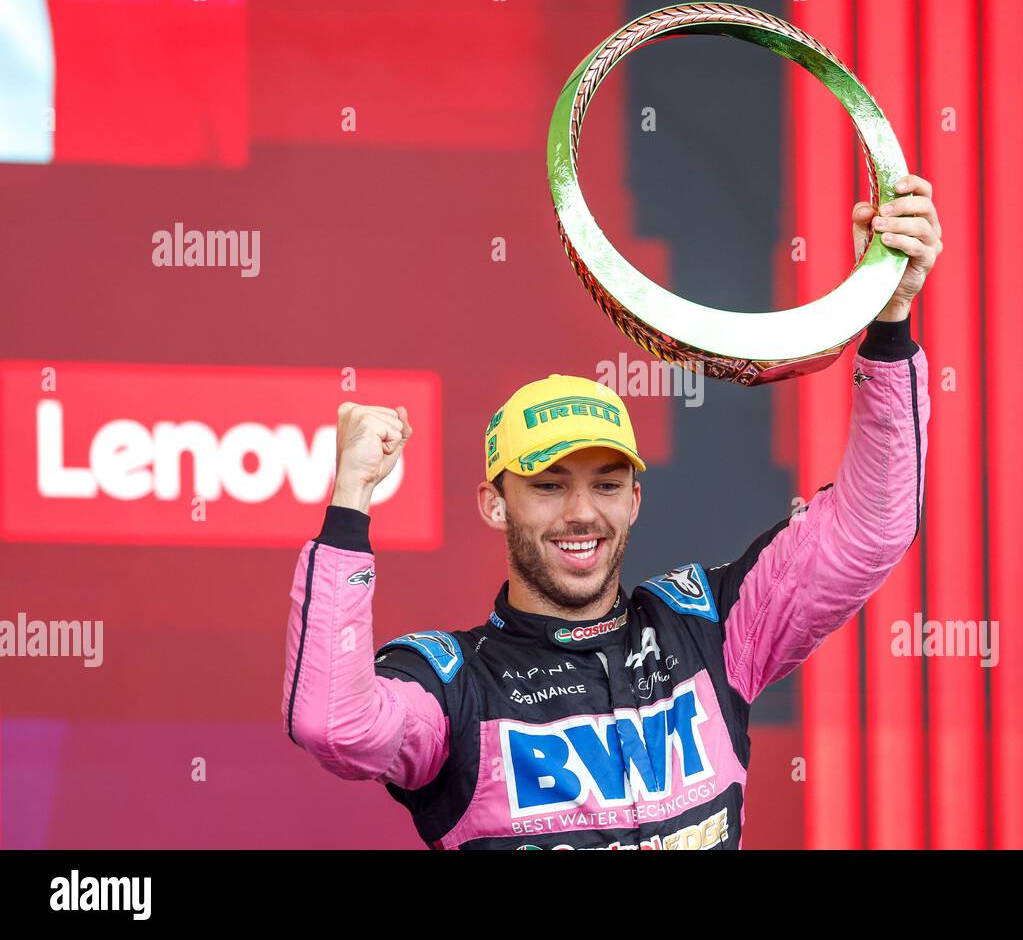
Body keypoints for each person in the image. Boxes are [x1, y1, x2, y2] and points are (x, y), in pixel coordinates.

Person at [281, 177, 942, 849]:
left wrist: (889, 320)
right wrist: (352, 496)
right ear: (493, 504)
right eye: (547, 485)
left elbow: (871, 527)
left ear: (634, 500)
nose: (580, 513)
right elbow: (335, 726)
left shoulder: (710, 629)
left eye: (605, 484)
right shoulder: (456, 684)